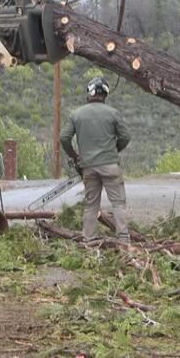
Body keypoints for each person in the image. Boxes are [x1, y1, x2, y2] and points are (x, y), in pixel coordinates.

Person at [60, 76, 131, 242]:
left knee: (91, 205)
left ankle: (88, 240)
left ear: (89, 93)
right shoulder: (113, 113)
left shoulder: (76, 114)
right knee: (118, 204)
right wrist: (114, 150)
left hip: (88, 167)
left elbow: (64, 137)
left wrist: (75, 156)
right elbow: (126, 137)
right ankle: (124, 240)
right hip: (110, 166)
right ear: (105, 94)